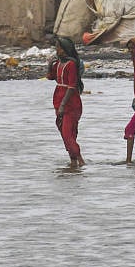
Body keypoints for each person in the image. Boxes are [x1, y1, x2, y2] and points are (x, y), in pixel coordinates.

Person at [47, 36, 85, 168]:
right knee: (64, 132)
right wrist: (49, 65)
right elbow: (50, 77)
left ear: (65, 49)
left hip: (70, 103)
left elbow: (72, 85)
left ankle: (80, 160)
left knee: (68, 133)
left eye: (59, 48)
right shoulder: (58, 63)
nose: (57, 50)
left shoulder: (71, 64)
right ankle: (73, 163)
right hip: (59, 100)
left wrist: (63, 104)